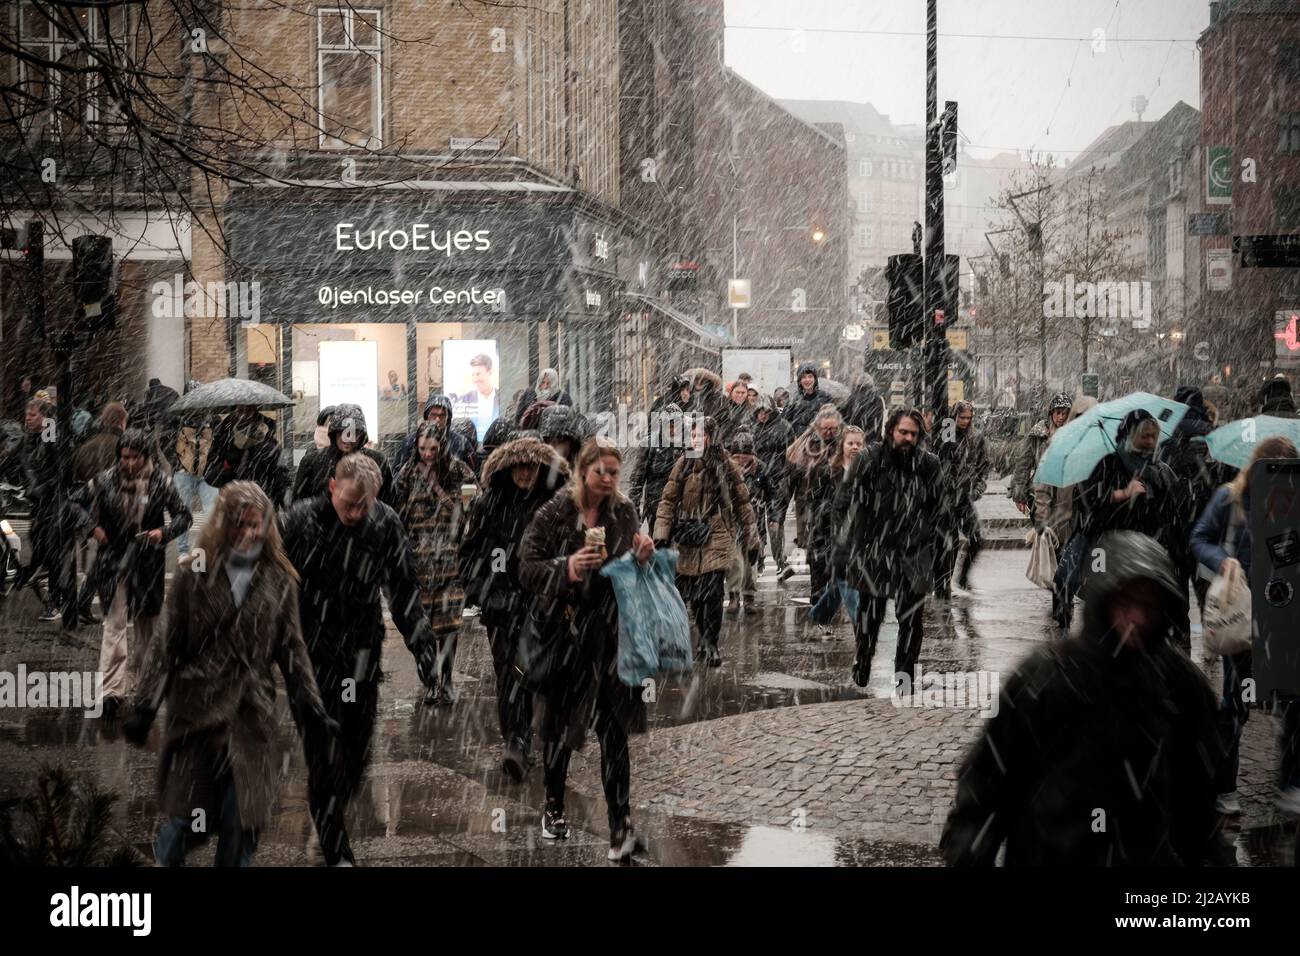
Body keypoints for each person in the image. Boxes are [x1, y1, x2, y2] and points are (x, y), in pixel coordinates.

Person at [941, 530, 1222, 866]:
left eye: (1148, 606)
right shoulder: (1044, 677)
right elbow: (985, 783)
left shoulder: (1181, 685)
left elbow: (1198, 806)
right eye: (1126, 602)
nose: (1137, 619)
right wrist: (969, 853)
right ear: (1104, 601)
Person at [124, 481, 335, 867]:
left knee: (243, 825)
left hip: (251, 717)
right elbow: (166, 644)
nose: (249, 534)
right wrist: (144, 705)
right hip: (198, 715)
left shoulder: (278, 579)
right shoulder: (194, 574)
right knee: (190, 821)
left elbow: (292, 649)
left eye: (257, 525)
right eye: (240, 525)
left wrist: (312, 708)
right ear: (223, 525)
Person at [278, 452, 436, 866]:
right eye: (347, 502)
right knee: (323, 751)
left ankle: (327, 816)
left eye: (362, 505)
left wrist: (423, 646)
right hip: (309, 654)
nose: (354, 512)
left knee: (356, 752)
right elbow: (267, 584)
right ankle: (335, 848)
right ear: (332, 486)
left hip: (361, 651)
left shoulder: (385, 524)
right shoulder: (298, 522)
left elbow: (403, 591)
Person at [517, 437, 656, 860]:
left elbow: (631, 572)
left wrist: (643, 555)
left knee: (614, 734)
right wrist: (569, 568)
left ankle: (620, 828)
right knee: (560, 730)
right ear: (582, 471)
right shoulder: (555, 512)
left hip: (611, 636)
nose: (609, 480)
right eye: (601, 472)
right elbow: (525, 568)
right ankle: (554, 807)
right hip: (565, 634)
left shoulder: (624, 510)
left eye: (615, 472)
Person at [1191, 435, 1299, 817]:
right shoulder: (1230, 499)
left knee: (1291, 701)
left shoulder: (1292, 502)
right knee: (1235, 704)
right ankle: (1225, 787)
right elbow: (1199, 537)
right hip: (1242, 616)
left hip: (1282, 617)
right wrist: (1222, 560)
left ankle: (1291, 782)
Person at [461, 436, 568, 782]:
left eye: (531, 466)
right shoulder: (489, 504)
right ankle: (516, 743)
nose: (525, 472)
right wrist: (480, 590)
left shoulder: (553, 504)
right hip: (501, 605)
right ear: (508, 468)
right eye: (519, 466)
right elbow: (469, 551)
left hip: (540, 605)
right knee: (508, 674)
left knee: (531, 672)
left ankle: (535, 736)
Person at [73, 428, 192, 720]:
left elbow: (184, 516)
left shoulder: (161, 482)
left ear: (145, 457)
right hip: (113, 562)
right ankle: (111, 693)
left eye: (134, 458)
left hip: (147, 564)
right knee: (113, 626)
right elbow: (74, 503)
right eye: (124, 457)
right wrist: (92, 527)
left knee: (146, 631)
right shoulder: (103, 480)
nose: (128, 463)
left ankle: (145, 691)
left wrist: (161, 533)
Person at [832, 408, 942, 688]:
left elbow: (940, 511)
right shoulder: (869, 458)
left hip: (913, 553)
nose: (907, 438)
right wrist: (843, 548)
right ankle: (863, 658)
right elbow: (844, 503)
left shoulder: (928, 464)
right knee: (869, 617)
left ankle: (904, 678)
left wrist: (936, 550)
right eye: (902, 432)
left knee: (911, 621)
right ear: (891, 430)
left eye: (913, 434)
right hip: (873, 548)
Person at [653, 417, 760, 666]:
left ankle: (711, 643)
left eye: (701, 435)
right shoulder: (682, 464)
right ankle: (702, 636)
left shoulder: (725, 464)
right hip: (688, 536)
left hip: (716, 532)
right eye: (693, 436)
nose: (696, 440)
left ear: (712, 437)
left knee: (712, 591)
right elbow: (667, 501)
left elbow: (743, 503)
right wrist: (661, 534)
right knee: (692, 595)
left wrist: (752, 539)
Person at [1064, 409, 1180, 639]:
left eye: (1153, 436)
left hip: (1147, 551)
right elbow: (1089, 507)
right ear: (1129, 435)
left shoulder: (1159, 468)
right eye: (1144, 436)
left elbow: (1170, 514)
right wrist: (1122, 494)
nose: (1149, 442)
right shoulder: (1108, 464)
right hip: (1110, 552)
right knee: (1108, 615)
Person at [393, 421, 479, 706]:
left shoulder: (457, 470)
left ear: (442, 445)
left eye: (432, 448)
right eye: (422, 449)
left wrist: (455, 506)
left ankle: (447, 680)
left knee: (449, 625)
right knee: (423, 627)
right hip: (419, 561)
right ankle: (431, 680)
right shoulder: (407, 473)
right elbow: (397, 512)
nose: (428, 454)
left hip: (449, 559)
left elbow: (473, 504)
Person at [1162, 385, 1235, 643]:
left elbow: (1160, 482)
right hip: (1208, 529)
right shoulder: (1217, 439)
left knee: (1177, 592)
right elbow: (1229, 482)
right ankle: (1214, 638)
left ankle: (1181, 644)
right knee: (1208, 590)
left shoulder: (1168, 438)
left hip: (1174, 528)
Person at [1032, 396, 1097, 622]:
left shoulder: (1101, 448)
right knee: (1062, 578)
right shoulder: (1059, 445)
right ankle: (1062, 619)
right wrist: (1042, 521)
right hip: (1064, 522)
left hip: (1092, 523)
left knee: (1091, 578)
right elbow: (1043, 486)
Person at [15, 398, 73, 622]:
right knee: (39, 544)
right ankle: (45, 585)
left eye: (32, 415)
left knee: (51, 549)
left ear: (45, 417)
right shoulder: (29, 436)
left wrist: (40, 486)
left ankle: (55, 599)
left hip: (52, 501)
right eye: (27, 415)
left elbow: (55, 467)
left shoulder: (49, 430)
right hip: (39, 501)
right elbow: (22, 461)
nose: (28, 418)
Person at [807, 425, 865, 633]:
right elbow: (815, 503)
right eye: (850, 443)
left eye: (859, 443)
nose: (855, 447)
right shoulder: (826, 471)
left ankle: (821, 614)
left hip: (857, 537)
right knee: (834, 581)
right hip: (829, 536)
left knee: (845, 582)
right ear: (842, 445)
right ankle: (858, 624)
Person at [933, 401, 991, 597]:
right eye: (961, 417)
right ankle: (944, 584)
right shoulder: (947, 434)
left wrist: (978, 487)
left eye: (968, 417)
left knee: (976, 539)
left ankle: (962, 578)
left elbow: (984, 465)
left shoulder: (976, 438)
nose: (965, 421)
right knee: (950, 543)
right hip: (946, 498)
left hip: (964, 497)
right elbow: (939, 460)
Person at [292, 403, 394, 506]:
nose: (347, 439)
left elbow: (389, 501)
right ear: (334, 432)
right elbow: (298, 504)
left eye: (354, 432)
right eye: (342, 432)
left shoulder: (378, 460)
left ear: (361, 434)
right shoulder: (312, 461)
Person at [786, 404, 843, 573]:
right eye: (825, 428)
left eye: (833, 428)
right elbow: (792, 458)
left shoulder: (845, 442)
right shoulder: (809, 443)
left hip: (838, 503)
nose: (829, 432)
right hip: (813, 502)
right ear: (818, 427)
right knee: (815, 549)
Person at [725, 430, 774, 615]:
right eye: (737, 456)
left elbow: (772, 494)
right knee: (734, 561)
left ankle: (749, 596)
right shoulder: (727, 469)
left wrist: (774, 517)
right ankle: (733, 596)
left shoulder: (760, 469)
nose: (741, 461)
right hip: (733, 522)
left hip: (754, 523)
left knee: (750, 563)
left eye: (744, 456)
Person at [205, 405, 285, 504]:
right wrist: (226, 466)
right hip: (232, 504)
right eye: (241, 410)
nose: (244, 415)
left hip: (261, 504)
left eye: (248, 410)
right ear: (235, 410)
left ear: (255, 410)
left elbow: (279, 475)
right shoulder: (223, 437)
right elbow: (210, 476)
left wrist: (280, 498)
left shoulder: (268, 440)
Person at [1010, 392, 1072, 516]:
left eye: (1064, 413)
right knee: (1044, 530)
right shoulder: (1038, 434)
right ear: (1051, 413)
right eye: (1057, 413)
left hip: (1067, 494)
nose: (1061, 417)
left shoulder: (1074, 433)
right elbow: (1023, 464)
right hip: (1041, 493)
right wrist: (1019, 494)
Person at [753, 396, 794, 577]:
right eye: (759, 412)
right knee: (757, 524)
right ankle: (759, 560)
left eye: (765, 412)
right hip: (758, 482)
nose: (762, 415)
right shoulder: (754, 429)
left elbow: (791, 454)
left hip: (777, 481)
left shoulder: (784, 427)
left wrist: (786, 477)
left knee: (775, 523)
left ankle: (780, 561)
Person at [628, 403, 683, 532]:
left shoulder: (686, 444)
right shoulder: (650, 444)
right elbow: (637, 479)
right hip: (656, 506)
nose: (673, 428)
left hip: (680, 508)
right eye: (670, 424)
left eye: (676, 424)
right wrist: (634, 510)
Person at [394, 393, 473, 472]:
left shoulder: (461, 442)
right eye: (433, 415)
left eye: (442, 416)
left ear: (447, 418)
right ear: (426, 416)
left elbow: (472, 474)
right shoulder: (411, 441)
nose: (437, 419)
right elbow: (399, 472)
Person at [72, 402, 128, 485]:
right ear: (122, 423)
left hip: (89, 495)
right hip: (116, 495)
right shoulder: (126, 447)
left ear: (104, 422)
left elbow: (77, 480)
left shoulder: (85, 447)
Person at [455, 352, 500, 439]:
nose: (475, 379)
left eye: (478, 374)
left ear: (489, 373)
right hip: (471, 448)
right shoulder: (464, 400)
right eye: (473, 374)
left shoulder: (502, 397)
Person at [784, 363, 832, 436]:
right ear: (800, 380)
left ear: (815, 379)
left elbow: (831, 421)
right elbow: (786, 424)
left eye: (810, 376)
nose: (807, 380)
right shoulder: (792, 400)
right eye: (803, 377)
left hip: (821, 441)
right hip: (798, 442)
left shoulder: (825, 398)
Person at [539, 404, 589, 471]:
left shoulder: (583, 473)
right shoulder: (533, 472)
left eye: (560, 440)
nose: (553, 447)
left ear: (571, 444)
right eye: (549, 440)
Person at [840, 372, 884, 441]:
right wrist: (877, 437)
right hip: (871, 436)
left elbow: (846, 417)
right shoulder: (876, 398)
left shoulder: (852, 398)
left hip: (855, 434)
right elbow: (879, 420)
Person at [718, 379, 753, 449]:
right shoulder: (724, 409)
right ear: (731, 393)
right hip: (727, 448)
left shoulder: (751, 410)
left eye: (743, 393)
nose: (740, 395)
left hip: (746, 449)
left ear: (747, 394)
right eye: (737, 392)